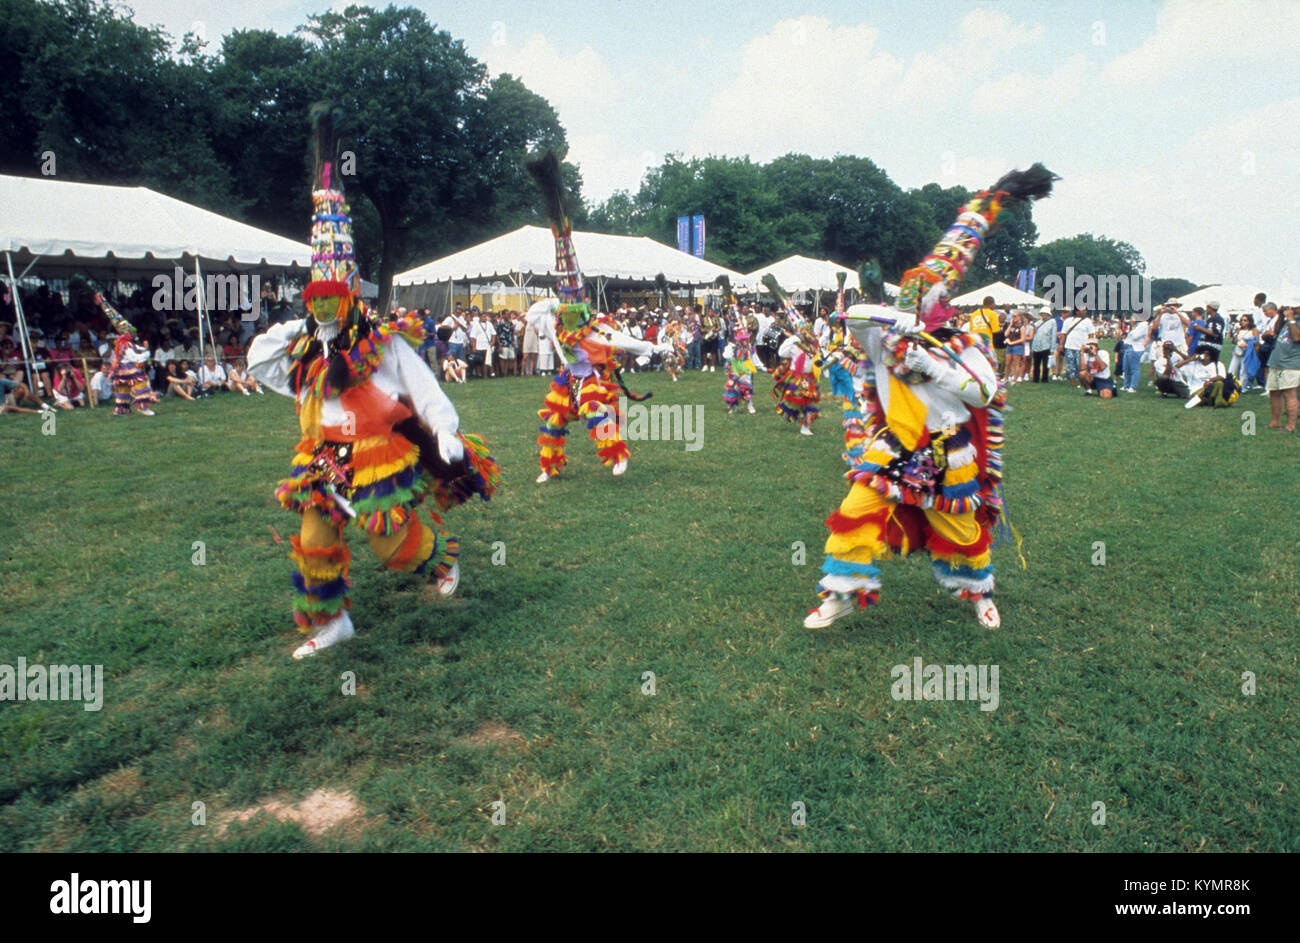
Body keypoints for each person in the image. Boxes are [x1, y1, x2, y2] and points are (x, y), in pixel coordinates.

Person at [246, 103, 500, 659]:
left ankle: (445, 555)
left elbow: (425, 386)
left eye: (332, 298)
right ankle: (333, 622)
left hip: (377, 453)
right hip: (322, 456)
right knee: (315, 540)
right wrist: (297, 325)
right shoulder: (307, 347)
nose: (325, 309)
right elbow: (260, 364)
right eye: (316, 299)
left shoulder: (382, 342)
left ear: (353, 293)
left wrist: (445, 429)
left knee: (391, 545)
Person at [804, 163, 1054, 632]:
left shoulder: (965, 346)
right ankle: (839, 592)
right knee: (856, 513)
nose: (925, 297)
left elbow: (984, 393)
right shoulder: (885, 340)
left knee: (961, 530)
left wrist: (935, 367)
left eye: (934, 292)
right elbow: (854, 317)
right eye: (919, 290)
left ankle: (980, 595)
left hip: (947, 451)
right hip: (891, 451)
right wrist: (893, 324)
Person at [526, 150, 672, 483]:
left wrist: (653, 348)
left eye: (575, 312)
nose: (571, 317)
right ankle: (548, 467)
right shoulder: (555, 321)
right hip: (568, 378)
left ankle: (618, 456)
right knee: (552, 421)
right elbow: (534, 314)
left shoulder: (595, 331)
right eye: (568, 312)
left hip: (591, 378)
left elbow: (625, 342)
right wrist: (551, 306)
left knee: (598, 413)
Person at [99, 295, 158, 416]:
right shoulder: (124, 344)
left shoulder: (123, 343)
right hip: (126, 368)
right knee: (141, 383)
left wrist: (144, 348)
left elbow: (137, 348)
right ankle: (142, 407)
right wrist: (147, 353)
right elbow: (135, 358)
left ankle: (121, 410)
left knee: (123, 389)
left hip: (119, 369)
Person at [1263, 305, 1300, 431]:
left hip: (1290, 364)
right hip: (1276, 361)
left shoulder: (1293, 321)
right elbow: (1277, 331)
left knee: (1290, 394)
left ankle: (1290, 426)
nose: (1293, 310)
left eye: (1296, 308)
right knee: (1274, 392)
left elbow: (1296, 337)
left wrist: (1290, 318)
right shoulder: (1289, 320)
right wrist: (1281, 316)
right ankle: (1275, 422)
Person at [1058, 306, 1095, 389]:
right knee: (1070, 365)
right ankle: (1073, 383)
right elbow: (1063, 334)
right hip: (1069, 346)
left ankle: (1083, 382)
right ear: (1077, 311)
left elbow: (1091, 334)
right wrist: (1061, 345)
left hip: (1082, 348)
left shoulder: (1087, 321)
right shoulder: (1068, 321)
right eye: (1083, 310)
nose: (1085, 311)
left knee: (1081, 366)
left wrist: (1091, 345)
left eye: (1085, 310)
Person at [1120, 312, 1149, 392]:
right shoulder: (1137, 326)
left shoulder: (1144, 325)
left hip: (1135, 348)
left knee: (1134, 369)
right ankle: (1126, 385)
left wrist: (1132, 326)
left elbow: (1135, 336)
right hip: (1128, 348)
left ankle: (1133, 386)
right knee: (1126, 368)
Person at [1029, 308, 1056, 382]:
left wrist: (1053, 348)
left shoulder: (1052, 322)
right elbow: (1034, 331)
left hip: (1046, 345)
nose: (1043, 315)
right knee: (1036, 364)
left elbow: (1053, 335)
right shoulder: (1038, 322)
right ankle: (1036, 378)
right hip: (1037, 345)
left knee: (1045, 364)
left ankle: (1044, 379)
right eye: (1042, 314)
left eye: (1044, 313)